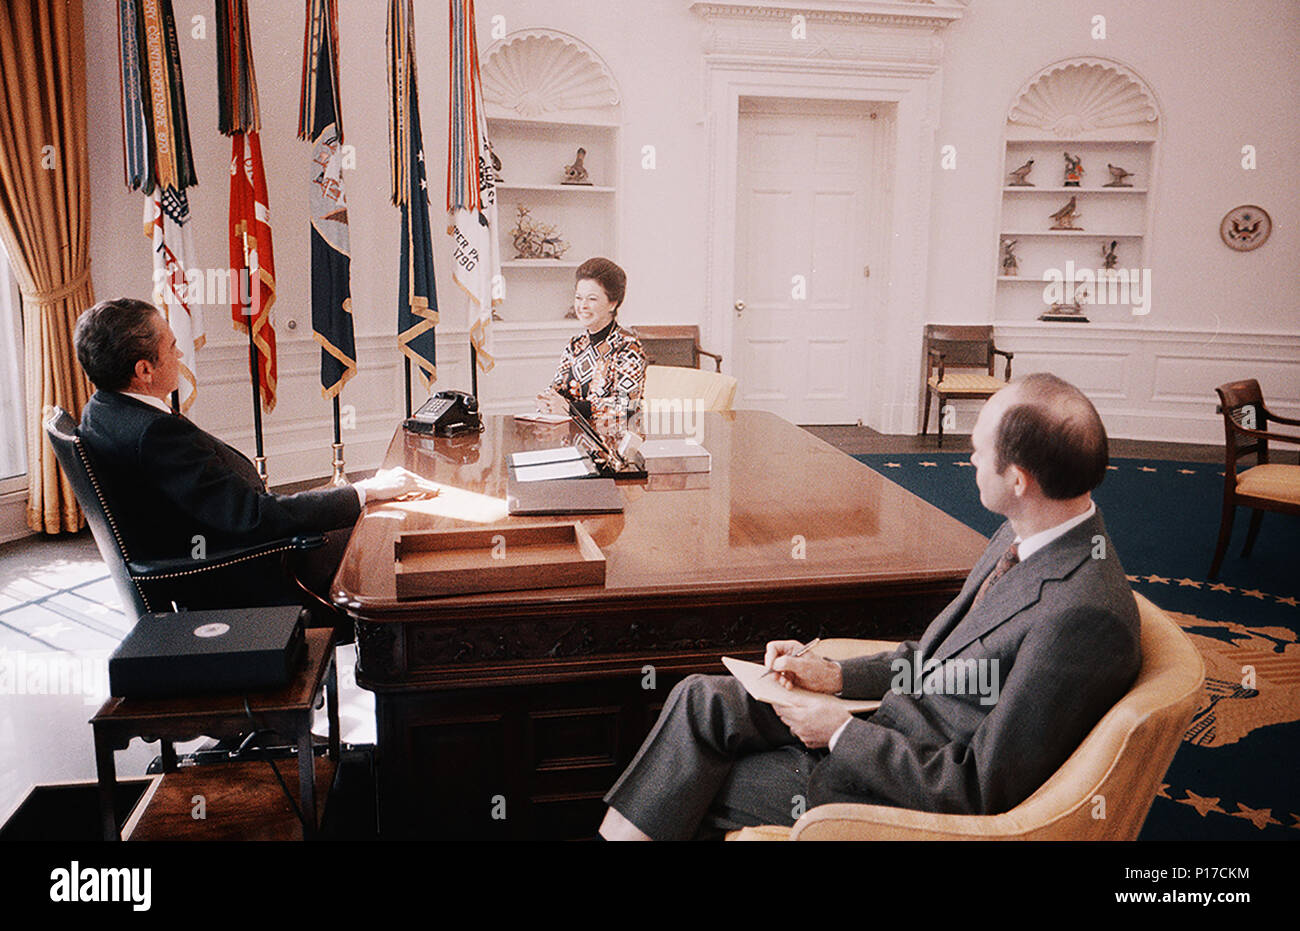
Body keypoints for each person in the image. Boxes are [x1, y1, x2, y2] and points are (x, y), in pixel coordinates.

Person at [599, 373, 1141, 840]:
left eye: (979, 451)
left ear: (1019, 480)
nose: (970, 460)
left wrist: (839, 732)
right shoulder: (1025, 533)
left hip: (894, 790)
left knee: (690, 783)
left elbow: (980, 787)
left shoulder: (1083, 616)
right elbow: (938, 659)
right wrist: (834, 676)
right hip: (881, 724)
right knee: (701, 698)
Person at [72, 297, 436, 609]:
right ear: (144, 370)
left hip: (214, 548)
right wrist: (365, 491)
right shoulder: (154, 433)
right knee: (383, 536)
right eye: (171, 347)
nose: (179, 353)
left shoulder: (102, 409)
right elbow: (251, 517)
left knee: (372, 518)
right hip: (241, 572)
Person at [536, 257, 646, 422]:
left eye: (592, 299)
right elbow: (556, 390)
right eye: (578, 298)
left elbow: (628, 406)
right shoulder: (575, 345)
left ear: (613, 304)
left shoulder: (628, 347)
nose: (583, 306)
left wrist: (571, 408)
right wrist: (547, 401)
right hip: (573, 434)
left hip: (613, 435)